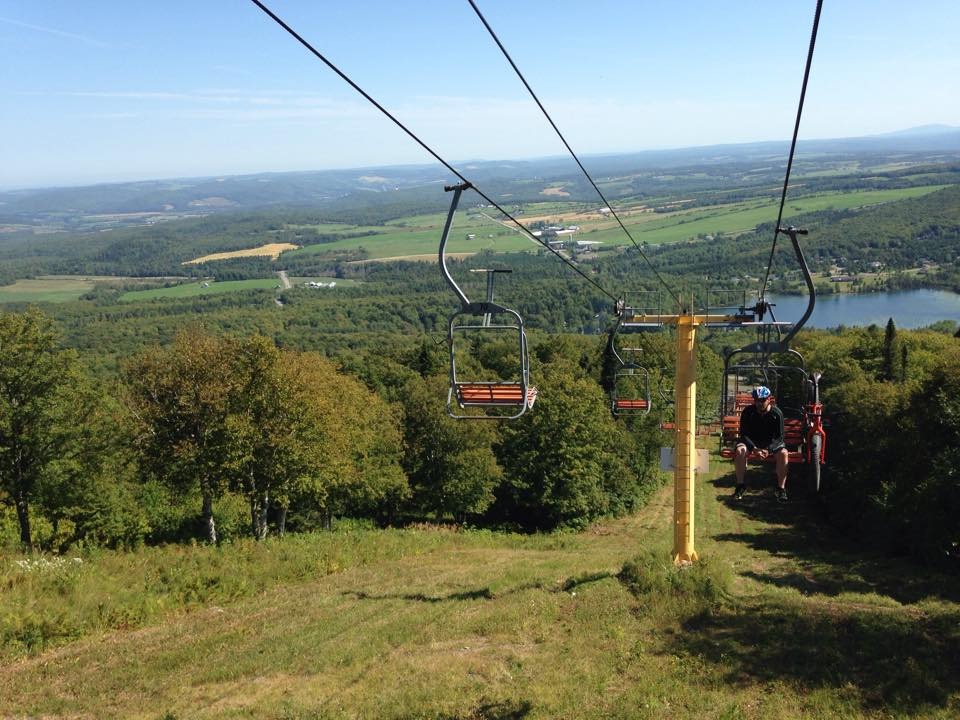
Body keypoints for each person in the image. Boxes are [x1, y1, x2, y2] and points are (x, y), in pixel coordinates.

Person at [733, 385, 789, 502]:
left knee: (783, 453)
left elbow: (780, 437)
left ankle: (781, 489)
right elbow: (744, 434)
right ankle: (740, 486)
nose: (759, 403)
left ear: (769, 399)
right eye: (757, 400)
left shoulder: (777, 414)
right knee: (740, 450)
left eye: (762, 400)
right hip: (751, 443)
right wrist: (754, 448)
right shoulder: (748, 412)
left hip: (770, 444)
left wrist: (768, 449)